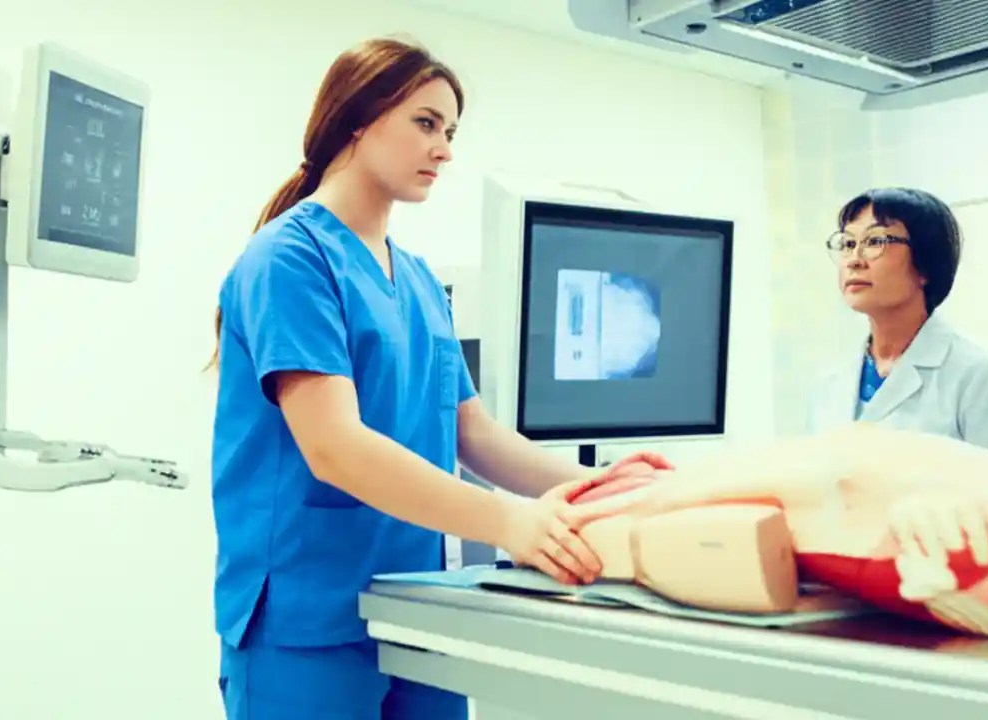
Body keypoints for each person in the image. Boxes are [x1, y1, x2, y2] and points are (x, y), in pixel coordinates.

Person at [206, 37, 670, 720]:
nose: (445, 148)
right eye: (426, 123)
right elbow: (333, 446)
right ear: (357, 119)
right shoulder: (289, 258)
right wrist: (509, 520)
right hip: (305, 618)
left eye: (450, 131)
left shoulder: (419, 279)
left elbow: (472, 431)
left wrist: (596, 489)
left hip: (419, 605)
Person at [562, 422, 988, 636]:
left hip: (727, 509)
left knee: (577, 525)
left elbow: (837, 484)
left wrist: (650, 502)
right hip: (728, 481)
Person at [805, 187, 988, 466]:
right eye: (847, 244)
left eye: (875, 241)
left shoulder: (980, 374)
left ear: (925, 267)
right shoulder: (829, 384)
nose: (855, 259)